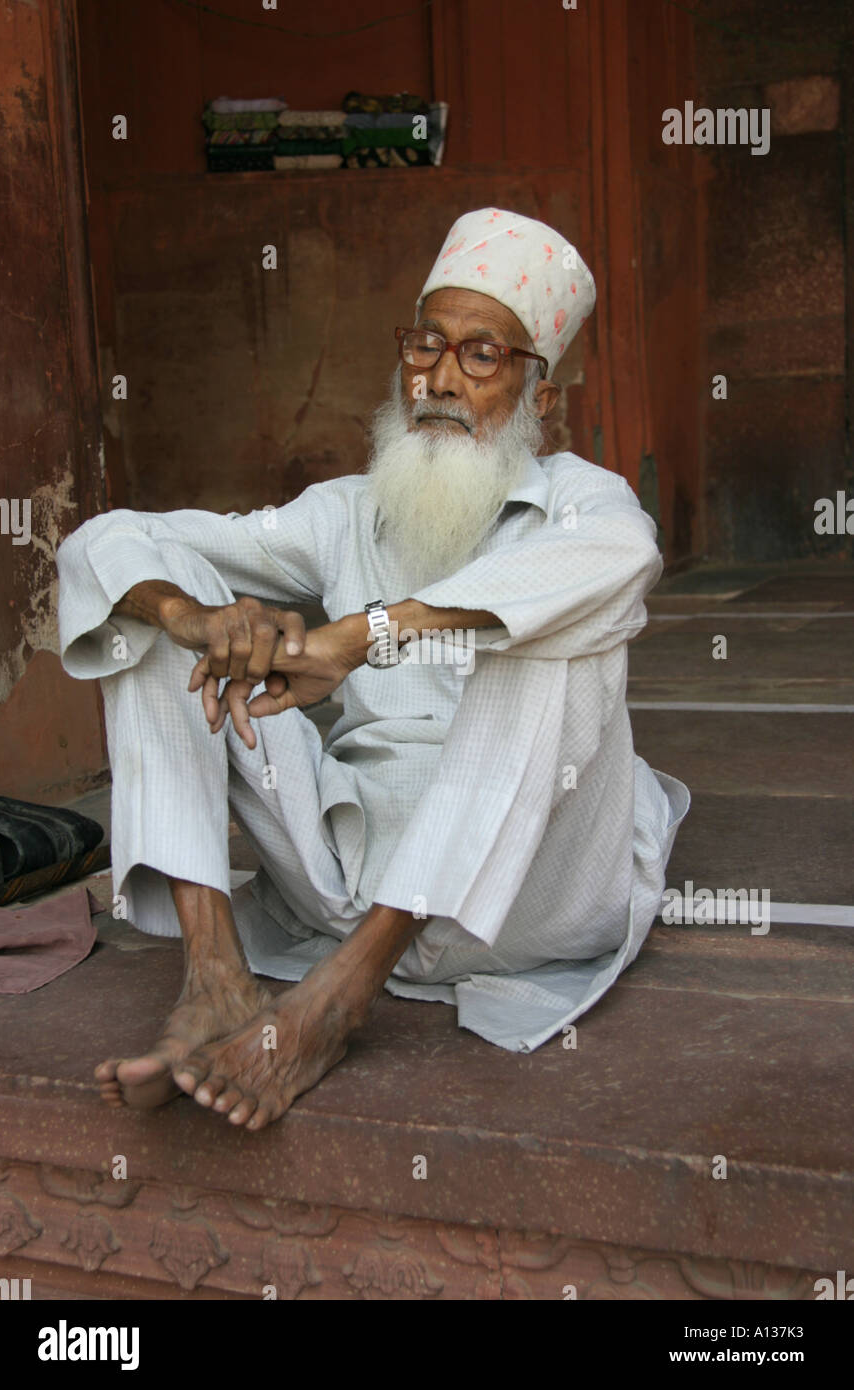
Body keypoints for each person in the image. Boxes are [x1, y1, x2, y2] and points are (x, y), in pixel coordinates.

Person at [56, 207, 689, 1132]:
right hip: (343, 879)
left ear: (541, 397)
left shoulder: (583, 504)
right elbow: (109, 539)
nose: (438, 376)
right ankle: (216, 979)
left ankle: (338, 1002)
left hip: (527, 899)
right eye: (427, 344)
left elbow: (622, 563)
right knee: (152, 609)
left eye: (481, 355)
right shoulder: (346, 512)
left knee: (550, 631)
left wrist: (358, 637)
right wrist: (196, 617)